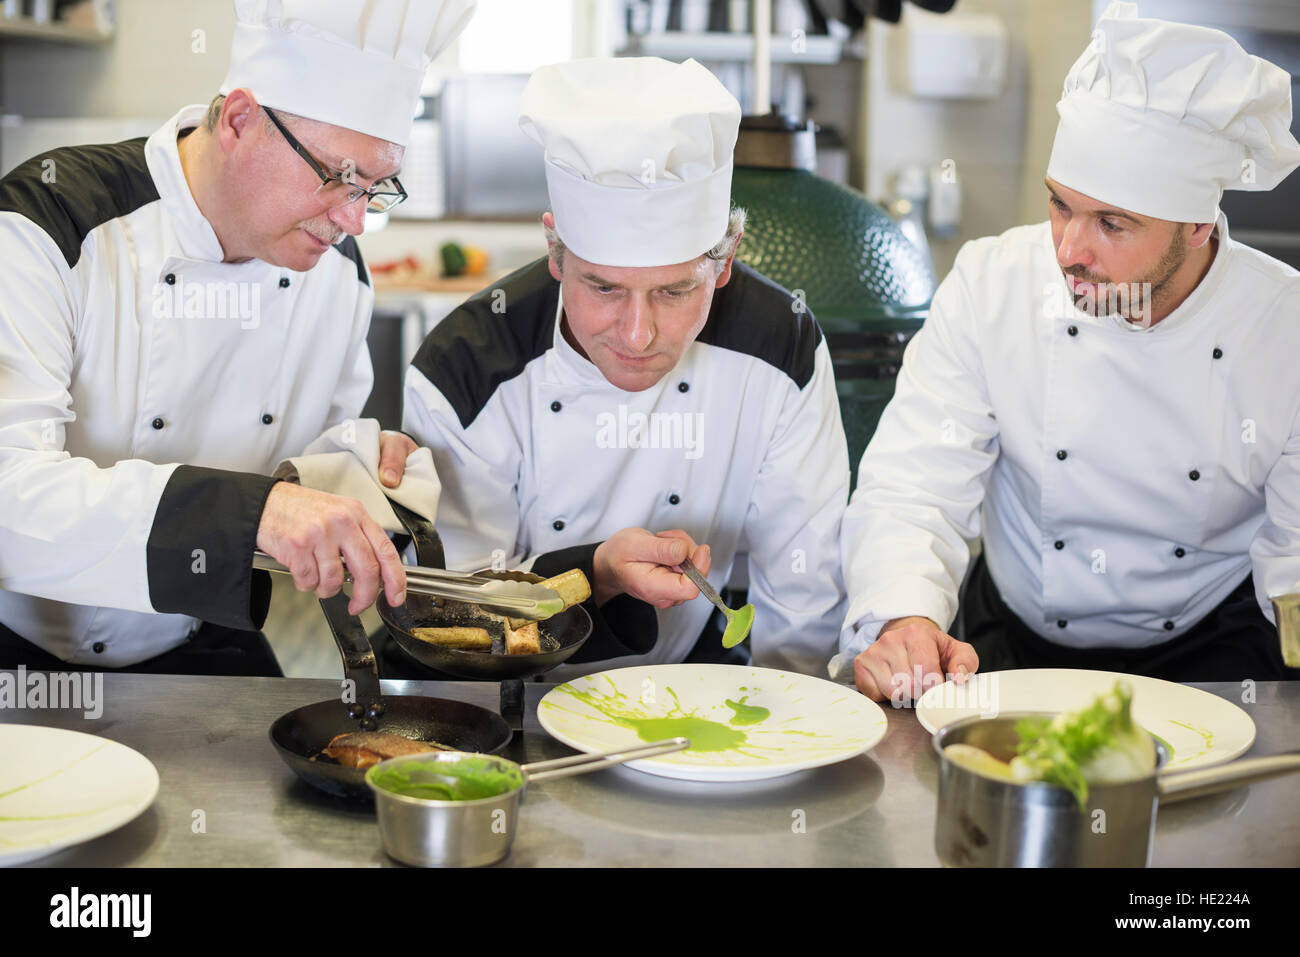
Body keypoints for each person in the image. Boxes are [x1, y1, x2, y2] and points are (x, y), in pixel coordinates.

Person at [840, 1, 1300, 701]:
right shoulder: (993, 284)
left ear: (1199, 225)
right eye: (1060, 205)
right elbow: (915, 484)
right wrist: (904, 614)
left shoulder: (1283, 329)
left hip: (1215, 648)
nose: (1068, 251)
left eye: (1113, 223)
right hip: (1012, 640)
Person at [0, 0, 476, 676]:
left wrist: (357, 468)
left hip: (201, 633)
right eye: (339, 178)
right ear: (240, 120)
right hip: (21, 655)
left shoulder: (336, 272)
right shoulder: (49, 225)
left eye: (374, 188)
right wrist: (255, 515)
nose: (353, 220)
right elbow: (9, 498)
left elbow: (302, 456)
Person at [396, 57, 848, 679]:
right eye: (604, 289)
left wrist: (785, 739)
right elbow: (464, 615)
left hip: (693, 680)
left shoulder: (781, 342)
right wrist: (597, 575)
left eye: (674, 291)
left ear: (723, 262)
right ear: (556, 251)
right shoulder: (468, 364)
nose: (638, 335)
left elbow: (805, 595)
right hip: (507, 696)